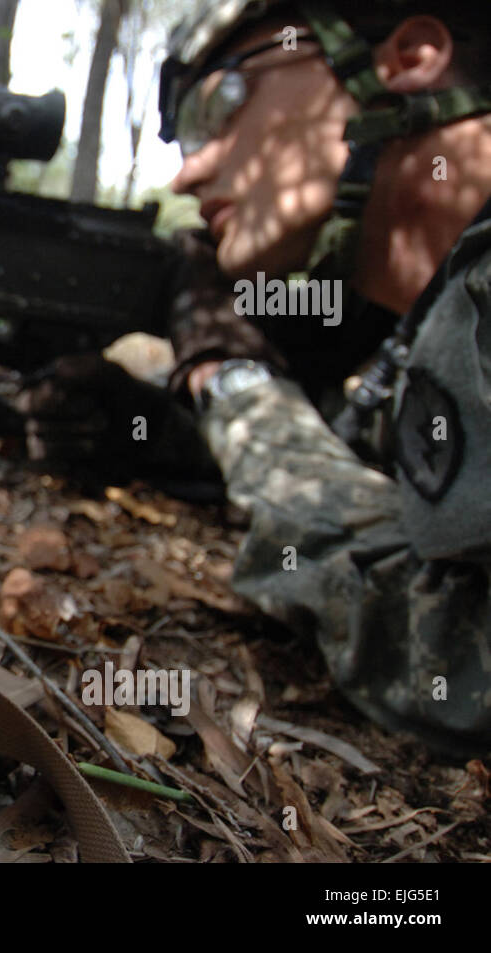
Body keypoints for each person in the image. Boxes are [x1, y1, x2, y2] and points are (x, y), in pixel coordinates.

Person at [157, 0, 491, 756]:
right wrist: (157, 429)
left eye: (220, 103)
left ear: (407, 59)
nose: (189, 171)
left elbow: (461, 658)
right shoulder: (421, 335)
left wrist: (235, 385)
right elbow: (378, 476)